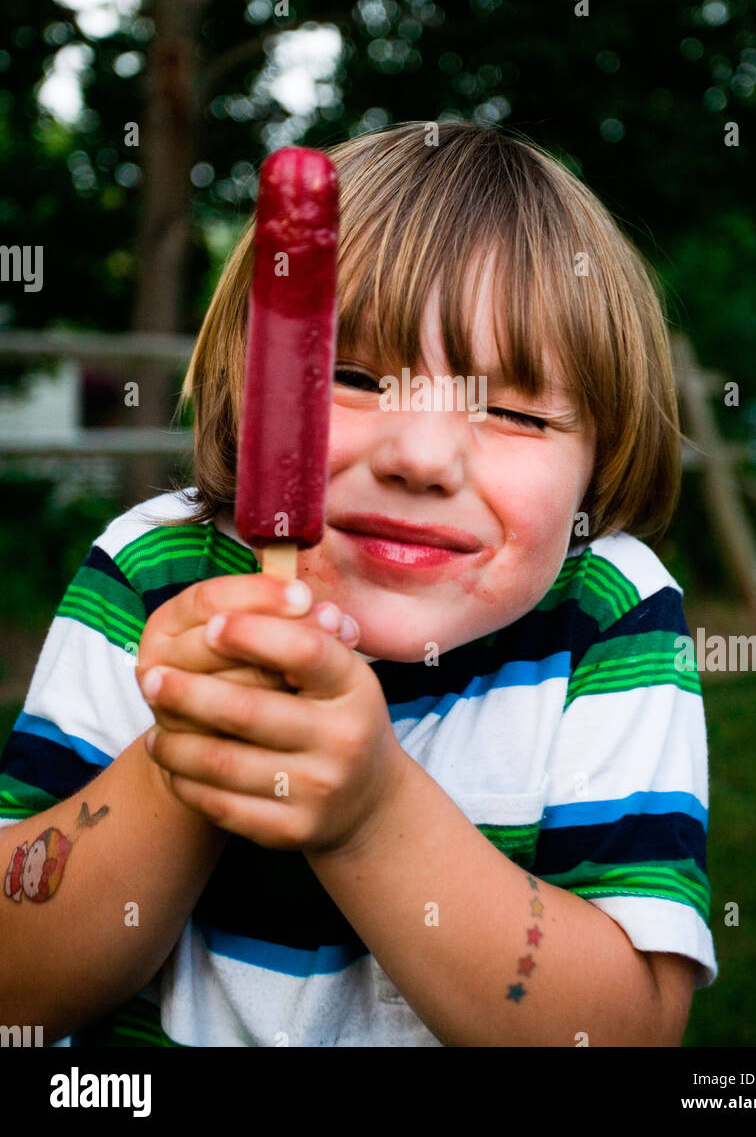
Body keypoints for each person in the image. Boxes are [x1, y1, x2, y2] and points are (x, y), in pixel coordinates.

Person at [0, 119, 717, 1047]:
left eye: (509, 409)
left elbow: (626, 1034)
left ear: (599, 460)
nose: (421, 455)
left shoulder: (610, 615)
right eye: (347, 374)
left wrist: (372, 812)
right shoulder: (152, 572)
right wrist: (191, 754)